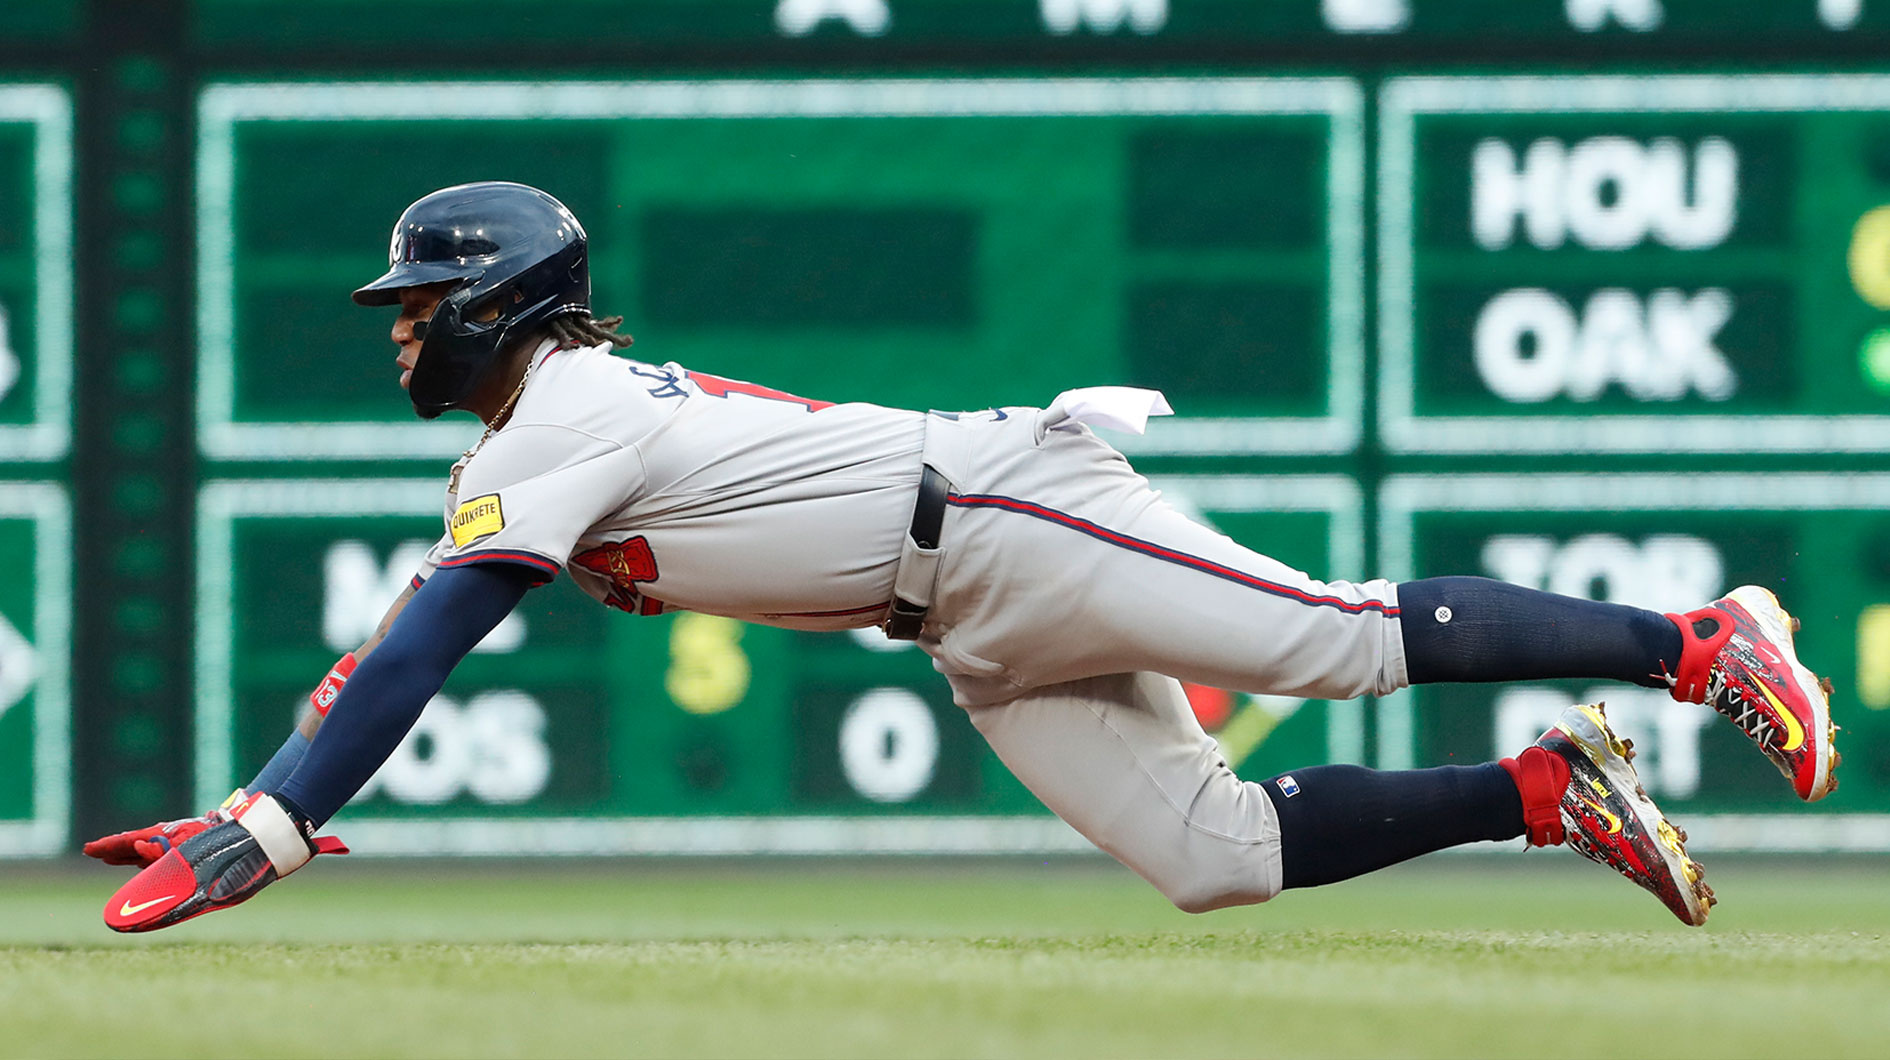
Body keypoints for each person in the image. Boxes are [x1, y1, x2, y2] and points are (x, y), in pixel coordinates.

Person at [88, 182, 1840, 931]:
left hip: (995, 508)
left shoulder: (560, 406)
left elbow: (423, 646)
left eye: (417, 307)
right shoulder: (534, 431)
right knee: (1211, 857)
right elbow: (396, 639)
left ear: (489, 305)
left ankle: (1698, 642)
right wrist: (257, 792)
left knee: (1332, 639)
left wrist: (273, 824)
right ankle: (1547, 793)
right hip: (960, 611)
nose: (400, 336)